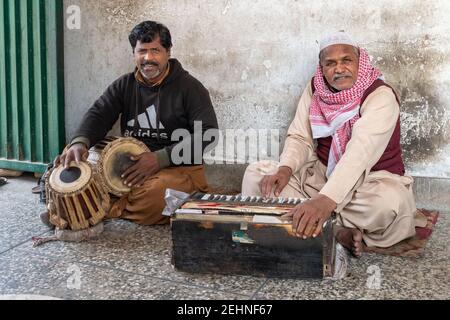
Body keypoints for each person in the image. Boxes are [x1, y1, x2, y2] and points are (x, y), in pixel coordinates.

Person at [242, 31, 426, 257]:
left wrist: (325, 201)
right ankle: (336, 230)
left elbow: (360, 153)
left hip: (370, 181)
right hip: (319, 175)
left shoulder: (380, 96)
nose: (339, 69)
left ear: (360, 62)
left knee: (388, 204)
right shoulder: (316, 88)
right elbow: (300, 136)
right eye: (330, 63)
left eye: (346, 60)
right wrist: (286, 168)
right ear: (322, 68)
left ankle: (308, 219)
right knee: (257, 176)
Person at [47, 21, 218, 227]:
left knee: (156, 196)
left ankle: (97, 209)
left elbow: (208, 134)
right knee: (70, 156)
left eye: (155, 50)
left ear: (168, 52)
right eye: (142, 51)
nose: (148, 58)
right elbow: (99, 114)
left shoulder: (190, 88)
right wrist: (79, 143)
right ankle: (89, 205)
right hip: (130, 167)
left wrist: (159, 158)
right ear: (134, 53)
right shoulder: (125, 84)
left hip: (178, 170)